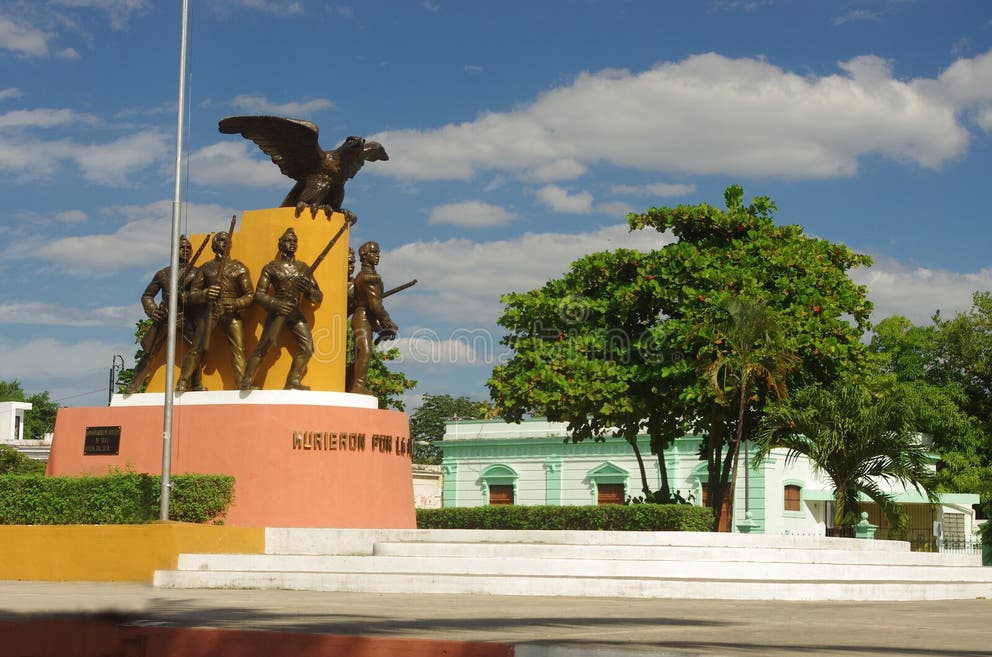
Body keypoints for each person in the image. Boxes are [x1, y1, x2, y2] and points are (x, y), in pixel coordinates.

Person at [241, 227, 323, 391]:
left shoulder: (304, 268)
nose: (292, 244)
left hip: (295, 312)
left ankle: (293, 381)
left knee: (307, 348)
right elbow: (259, 294)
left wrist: (308, 290)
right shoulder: (271, 268)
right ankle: (246, 381)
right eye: (288, 241)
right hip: (277, 311)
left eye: (295, 241)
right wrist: (277, 304)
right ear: (280, 244)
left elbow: (318, 296)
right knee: (264, 347)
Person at [176, 231, 253, 392]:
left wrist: (237, 303)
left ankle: (242, 383)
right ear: (214, 244)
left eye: (228, 241)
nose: (226, 243)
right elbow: (191, 295)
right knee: (197, 347)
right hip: (211, 311)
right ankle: (183, 381)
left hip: (231, 310)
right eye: (222, 240)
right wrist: (205, 294)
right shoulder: (205, 268)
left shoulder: (239, 268)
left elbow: (250, 295)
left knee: (239, 348)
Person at [125, 235, 201, 394]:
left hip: (185, 317)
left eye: (188, 249)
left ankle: (195, 384)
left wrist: (187, 298)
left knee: (196, 349)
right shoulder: (163, 274)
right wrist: (153, 311)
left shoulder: (196, 273)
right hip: (165, 318)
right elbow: (147, 296)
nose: (186, 251)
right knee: (150, 353)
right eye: (182, 248)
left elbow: (199, 296)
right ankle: (133, 385)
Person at [349, 241, 398, 395]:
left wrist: (381, 327)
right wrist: (388, 321)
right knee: (365, 351)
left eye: (377, 252)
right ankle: (358, 386)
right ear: (364, 256)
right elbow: (375, 305)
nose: (377, 256)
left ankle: (353, 384)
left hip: (366, 317)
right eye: (373, 252)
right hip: (362, 317)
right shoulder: (369, 277)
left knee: (361, 353)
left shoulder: (362, 276)